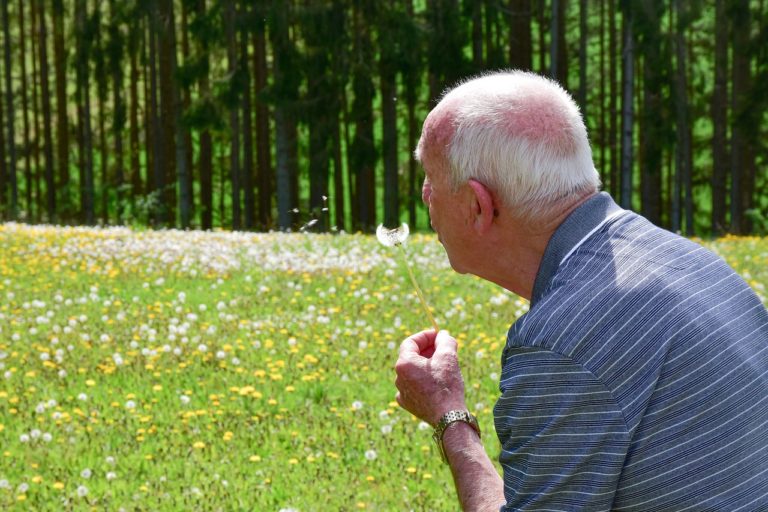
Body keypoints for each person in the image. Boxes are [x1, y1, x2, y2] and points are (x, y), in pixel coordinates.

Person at [394, 70, 768, 511]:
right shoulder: (693, 261)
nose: (424, 195)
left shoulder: (562, 347)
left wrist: (450, 419)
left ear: (478, 206)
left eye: (432, 180)